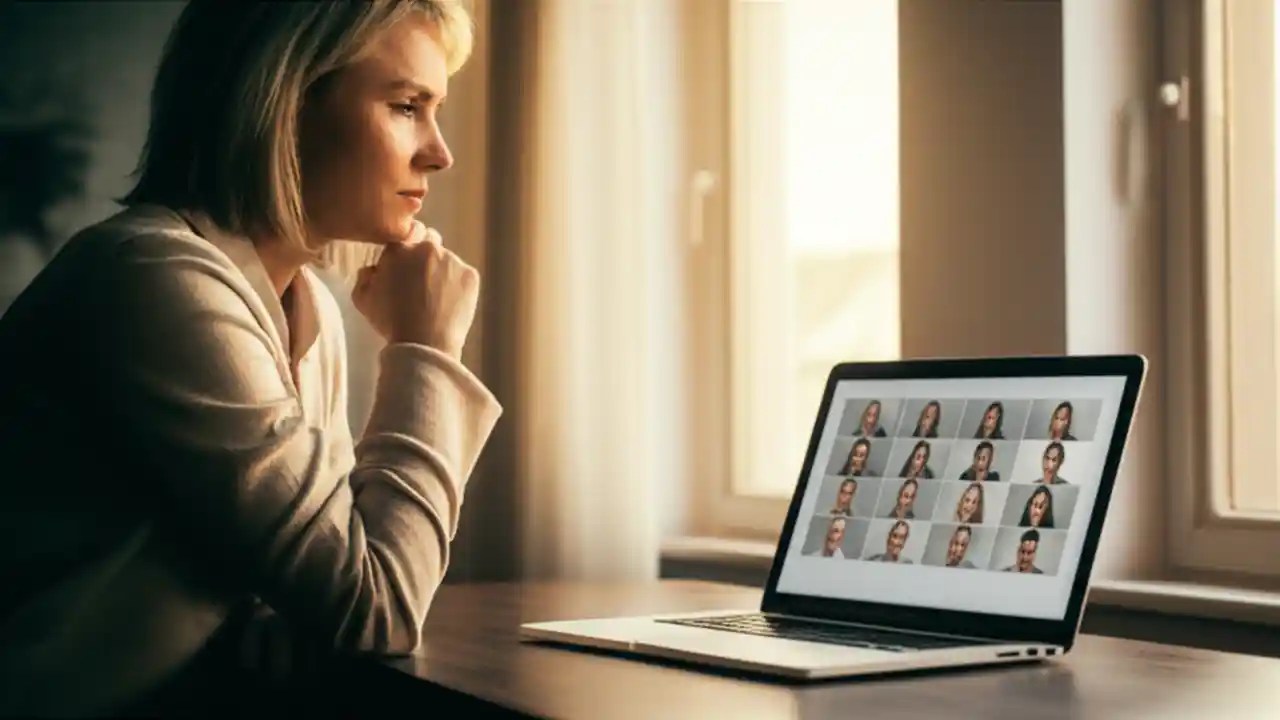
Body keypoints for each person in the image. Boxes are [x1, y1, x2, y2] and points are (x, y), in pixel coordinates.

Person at [0, 3, 503, 716]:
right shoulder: (154, 276)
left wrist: (279, 610)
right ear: (282, 104)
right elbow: (377, 606)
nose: (439, 152)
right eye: (405, 107)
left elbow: (322, 588)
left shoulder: (309, 307)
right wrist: (425, 348)